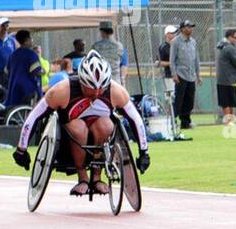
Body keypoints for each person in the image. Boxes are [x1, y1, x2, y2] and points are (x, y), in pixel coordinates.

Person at [13, 51, 150, 196]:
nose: (97, 93)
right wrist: (21, 149)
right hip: (70, 137)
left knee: (106, 125)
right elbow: (34, 116)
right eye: (91, 89)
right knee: (79, 128)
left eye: (101, 89)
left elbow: (136, 120)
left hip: (99, 134)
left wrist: (144, 152)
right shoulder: (62, 90)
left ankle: (97, 177)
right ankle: (82, 177)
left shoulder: (115, 91)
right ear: (82, 82)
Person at [170, 20, 200, 130]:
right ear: (182, 29)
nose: (191, 29)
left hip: (191, 75)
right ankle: (172, 121)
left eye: (191, 27)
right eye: (188, 27)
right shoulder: (176, 42)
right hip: (180, 74)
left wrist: (198, 74)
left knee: (190, 100)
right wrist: (174, 74)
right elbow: (172, 60)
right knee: (179, 99)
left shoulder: (193, 42)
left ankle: (186, 122)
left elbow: (196, 59)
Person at [4, 29, 44, 108]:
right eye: (30, 38)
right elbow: (36, 72)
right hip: (27, 89)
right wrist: (42, 71)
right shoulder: (31, 54)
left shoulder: (12, 55)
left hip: (14, 87)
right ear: (26, 40)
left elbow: (6, 71)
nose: (32, 40)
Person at [157, 25, 177, 103]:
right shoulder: (163, 47)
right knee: (170, 98)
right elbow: (158, 63)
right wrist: (171, 63)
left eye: (175, 33)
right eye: (172, 33)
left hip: (181, 75)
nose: (175, 34)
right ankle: (170, 114)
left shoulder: (178, 45)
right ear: (167, 34)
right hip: (169, 76)